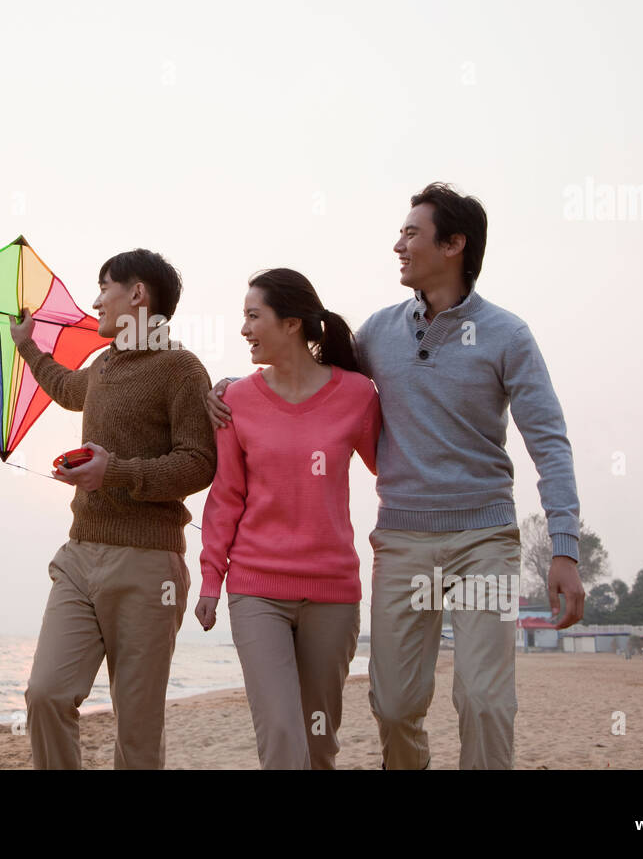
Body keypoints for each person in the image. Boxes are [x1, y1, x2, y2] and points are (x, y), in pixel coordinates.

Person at [209, 182, 585, 770]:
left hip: (483, 539)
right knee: (393, 705)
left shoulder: (508, 335)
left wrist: (564, 547)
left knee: (484, 700)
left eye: (412, 233)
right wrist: (228, 390)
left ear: (455, 244)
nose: (398, 245)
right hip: (403, 542)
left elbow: (550, 444)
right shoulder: (377, 336)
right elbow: (306, 377)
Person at [11, 249, 216, 769]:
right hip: (80, 557)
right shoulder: (103, 366)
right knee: (46, 694)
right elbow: (63, 386)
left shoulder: (181, 368)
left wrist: (115, 472)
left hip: (148, 564)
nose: (97, 300)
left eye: (105, 287)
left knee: (138, 731)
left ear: (138, 294)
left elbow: (198, 464)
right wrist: (27, 345)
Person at [195, 269, 381, 769]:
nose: (244, 330)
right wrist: (211, 579)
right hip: (256, 589)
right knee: (281, 732)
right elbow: (227, 495)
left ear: (292, 323)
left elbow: (393, 472)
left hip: (333, 592)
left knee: (318, 744)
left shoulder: (358, 394)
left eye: (254, 317)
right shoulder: (234, 400)